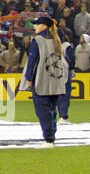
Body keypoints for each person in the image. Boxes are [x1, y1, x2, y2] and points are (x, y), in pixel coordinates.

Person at [19, 16, 68, 146]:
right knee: (52, 109)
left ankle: (48, 138)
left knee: (42, 110)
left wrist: (29, 77)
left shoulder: (38, 40)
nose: (35, 26)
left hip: (42, 79)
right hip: (55, 79)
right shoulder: (56, 40)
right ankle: (51, 135)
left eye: (38, 24)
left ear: (44, 26)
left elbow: (33, 61)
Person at [56, 32, 76, 124]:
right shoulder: (66, 46)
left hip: (54, 72)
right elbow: (72, 59)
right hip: (64, 71)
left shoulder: (52, 45)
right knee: (64, 95)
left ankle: (60, 116)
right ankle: (63, 116)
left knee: (57, 95)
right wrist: (71, 69)